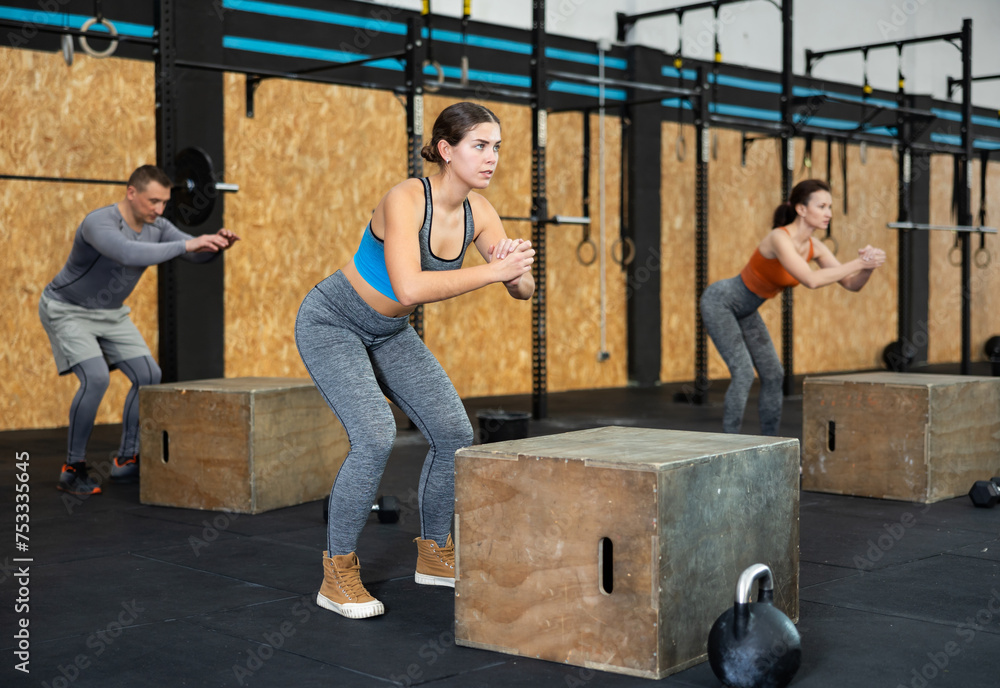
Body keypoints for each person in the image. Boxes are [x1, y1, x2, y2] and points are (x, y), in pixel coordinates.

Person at [295, 102, 534, 620]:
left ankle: (433, 553)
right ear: (446, 151)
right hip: (332, 321)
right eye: (480, 146)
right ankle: (336, 572)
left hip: (389, 331)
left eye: (497, 148)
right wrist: (494, 273)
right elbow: (409, 285)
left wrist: (516, 269)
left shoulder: (481, 213)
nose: (492, 158)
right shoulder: (406, 198)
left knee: (453, 431)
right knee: (375, 434)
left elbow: (523, 290)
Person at [39, 165, 240, 496]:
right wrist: (191, 245)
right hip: (67, 309)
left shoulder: (157, 226)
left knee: (148, 374)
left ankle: (126, 460)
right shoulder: (99, 223)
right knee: (96, 377)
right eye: (153, 201)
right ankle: (73, 468)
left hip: (111, 313)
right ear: (131, 193)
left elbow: (193, 253)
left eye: (164, 203)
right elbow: (127, 252)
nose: (160, 210)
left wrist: (216, 246)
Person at [699, 179, 885, 436]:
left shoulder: (815, 247)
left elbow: (852, 284)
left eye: (830, 206)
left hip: (746, 310)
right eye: (821, 206)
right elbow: (811, 280)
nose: (828, 213)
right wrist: (859, 261)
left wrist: (868, 267)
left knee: (774, 375)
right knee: (743, 374)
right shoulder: (779, 237)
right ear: (801, 209)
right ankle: (726, 449)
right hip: (720, 302)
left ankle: (772, 448)